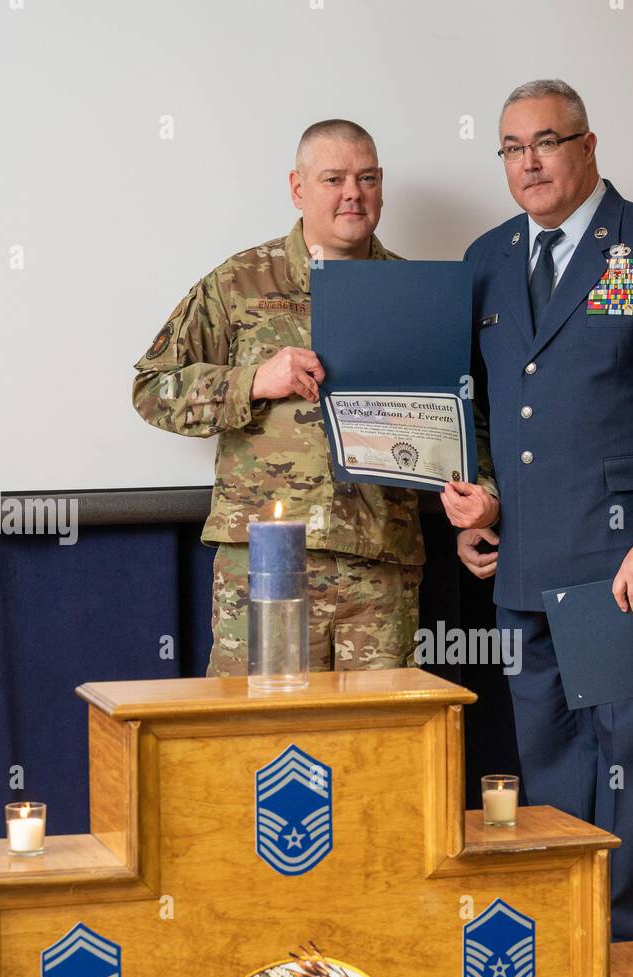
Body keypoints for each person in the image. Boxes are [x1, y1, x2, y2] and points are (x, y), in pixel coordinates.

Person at [447, 79, 633, 940]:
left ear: (588, 144)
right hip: (525, 564)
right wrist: (483, 499)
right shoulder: (488, 257)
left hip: (629, 567)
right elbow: (488, 407)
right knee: (549, 771)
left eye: (544, 141)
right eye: (510, 148)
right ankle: (568, 940)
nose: (527, 163)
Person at [132, 119, 499, 675]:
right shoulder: (239, 283)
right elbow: (152, 388)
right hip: (265, 567)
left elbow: (466, 416)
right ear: (298, 188)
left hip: (379, 569)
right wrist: (252, 381)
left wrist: (481, 502)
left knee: (378, 748)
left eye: (367, 178)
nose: (353, 193)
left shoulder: (418, 293)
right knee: (257, 743)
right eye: (333, 178)